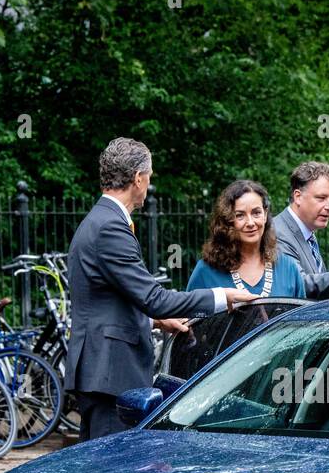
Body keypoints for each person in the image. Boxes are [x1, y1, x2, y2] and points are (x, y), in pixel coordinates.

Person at [64, 138, 257, 440]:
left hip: (103, 370)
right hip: (109, 372)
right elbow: (153, 298)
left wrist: (154, 322)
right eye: (150, 176)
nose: (149, 183)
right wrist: (222, 296)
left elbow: (109, 301)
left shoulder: (100, 220)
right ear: (138, 178)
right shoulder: (110, 227)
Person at [187, 180, 306, 299]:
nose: (250, 223)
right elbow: (187, 316)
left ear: (265, 215)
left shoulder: (289, 268)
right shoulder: (206, 271)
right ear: (228, 220)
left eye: (256, 213)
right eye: (240, 215)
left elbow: (301, 316)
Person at [271, 161, 329, 299]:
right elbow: (296, 284)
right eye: (321, 198)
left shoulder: (306, 232)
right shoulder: (278, 233)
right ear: (298, 197)